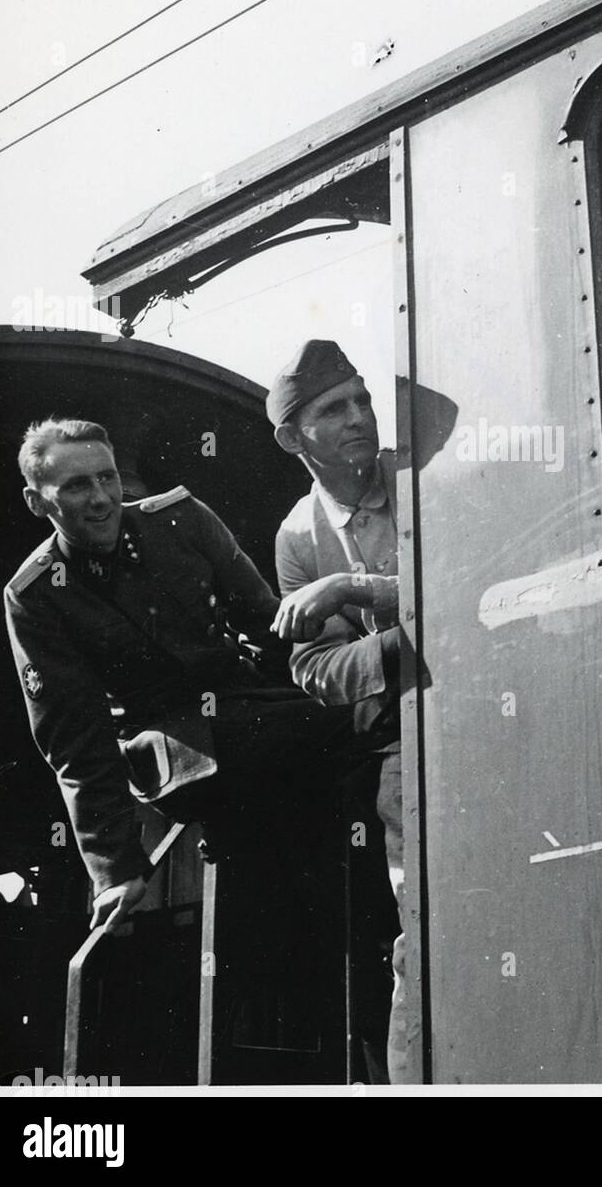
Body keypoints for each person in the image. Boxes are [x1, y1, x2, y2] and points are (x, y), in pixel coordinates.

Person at [3, 418, 352, 934]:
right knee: (338, 731)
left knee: (339, 734)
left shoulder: (180, 519)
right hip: (173, 749)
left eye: (107, 478)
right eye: (76, 486)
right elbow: (75, 737)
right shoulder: (36, 594)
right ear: (38, 502)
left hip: (254, 707)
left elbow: (264, 622)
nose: (100, 498)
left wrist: (323, 682)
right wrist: (115, 871)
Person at [266, 341, 410, 1084]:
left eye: (361, 399)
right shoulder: (296, 537)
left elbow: (480, 579)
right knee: (408, 917)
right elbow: (316, 671)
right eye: (334, 409)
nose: (359, 417)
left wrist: (356, 591)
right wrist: (408, 638)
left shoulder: (422, 475)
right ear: (294, 438)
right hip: (401, 739)